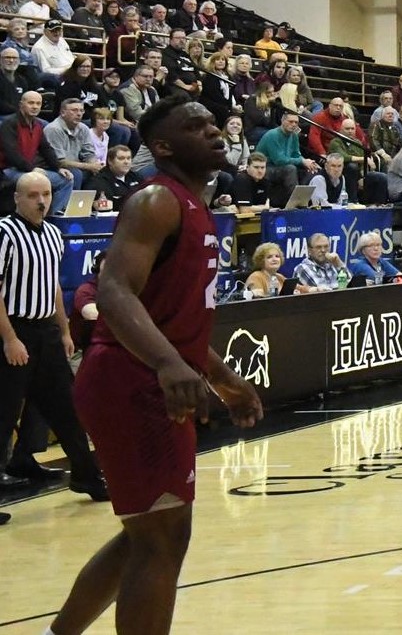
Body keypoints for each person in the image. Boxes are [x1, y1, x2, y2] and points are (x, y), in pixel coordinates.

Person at [51, 96, 263, 634]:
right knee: (162, 538)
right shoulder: (156, 200)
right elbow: (115, 291)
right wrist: (169, 365)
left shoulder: (196, 206)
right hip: (129, 379)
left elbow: (172, 320)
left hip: (146, 377)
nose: (213, 132)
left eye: (213, 123)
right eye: (196, 126)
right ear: (163, 146)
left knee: (146, 534)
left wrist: (224, 379)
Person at [0, 171, 108, 502]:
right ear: (17, 198)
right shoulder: (5, 232)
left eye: (46, 194)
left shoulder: (52, 234)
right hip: (13, 329)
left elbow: (53, 287)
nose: (41, 201)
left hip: (46, 330)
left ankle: (87, 476)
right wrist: (9, 339)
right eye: (33, 195)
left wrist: (63, 330)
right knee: (4, 412)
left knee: (67, 406)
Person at [1, 90, 76, 214]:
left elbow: (46, 149)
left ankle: (49, 217)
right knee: (37, 180)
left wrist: (58, 168)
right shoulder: (9, 124)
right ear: (21, 105)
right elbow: (11, 153)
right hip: (9, 170)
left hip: (27, 170)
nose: (35, 106)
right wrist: (32, 169)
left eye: (38, 103)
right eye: (31, 103)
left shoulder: (38, 125)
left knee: (66, 180)